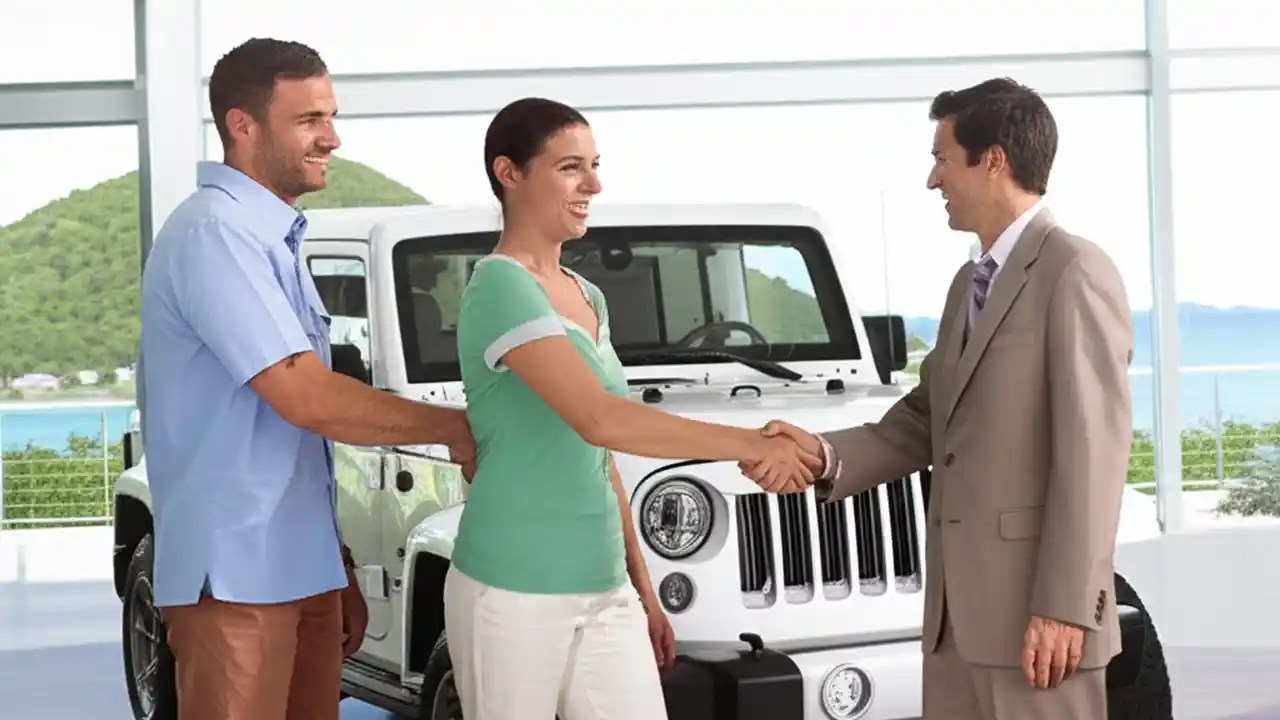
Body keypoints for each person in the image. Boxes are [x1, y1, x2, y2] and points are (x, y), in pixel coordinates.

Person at [743, 78, 1134, 720]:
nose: (933, 180)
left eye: (942, 158)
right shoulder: (967, 285)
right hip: (956, 622)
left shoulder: (1075, 271)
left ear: (994, 160)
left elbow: (1095, 457)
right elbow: (929, 419)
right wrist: (821, 455)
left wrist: (1066, 606)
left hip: (1039, 627)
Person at [442, 97, 817, 720]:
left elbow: (598, 452)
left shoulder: (586, 294)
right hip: (511, 589)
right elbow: (600, 417)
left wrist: (642, 588)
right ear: (509, 173)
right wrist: (754, 444)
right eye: (570, 167)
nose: (593, 184)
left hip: (603, 586)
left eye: (594, 165)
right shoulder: (499, 286)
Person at [138, 38, 475, 720]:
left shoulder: (279, 241)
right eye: (310, 120)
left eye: (331, 116)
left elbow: (292, 451)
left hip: (301, 571)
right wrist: (458, 428)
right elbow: (304, 396)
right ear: (243, 125)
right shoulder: (216, 234)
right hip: (235, 581)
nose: (332, 137)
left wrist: (339, 566)